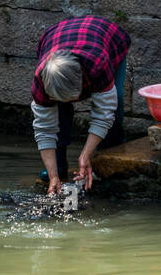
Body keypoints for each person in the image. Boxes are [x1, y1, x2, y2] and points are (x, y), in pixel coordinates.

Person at [30, 15, 130, 195]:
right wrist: (53, 176)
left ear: (83, 81)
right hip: (56, 36)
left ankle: (107, 155)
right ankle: (58, 166)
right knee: (60, 113)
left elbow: (104, 113)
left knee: (117, 100)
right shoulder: (41, 79)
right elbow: (44, 128)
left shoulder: (97, 64)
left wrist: (86, 155)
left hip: (107, 35)